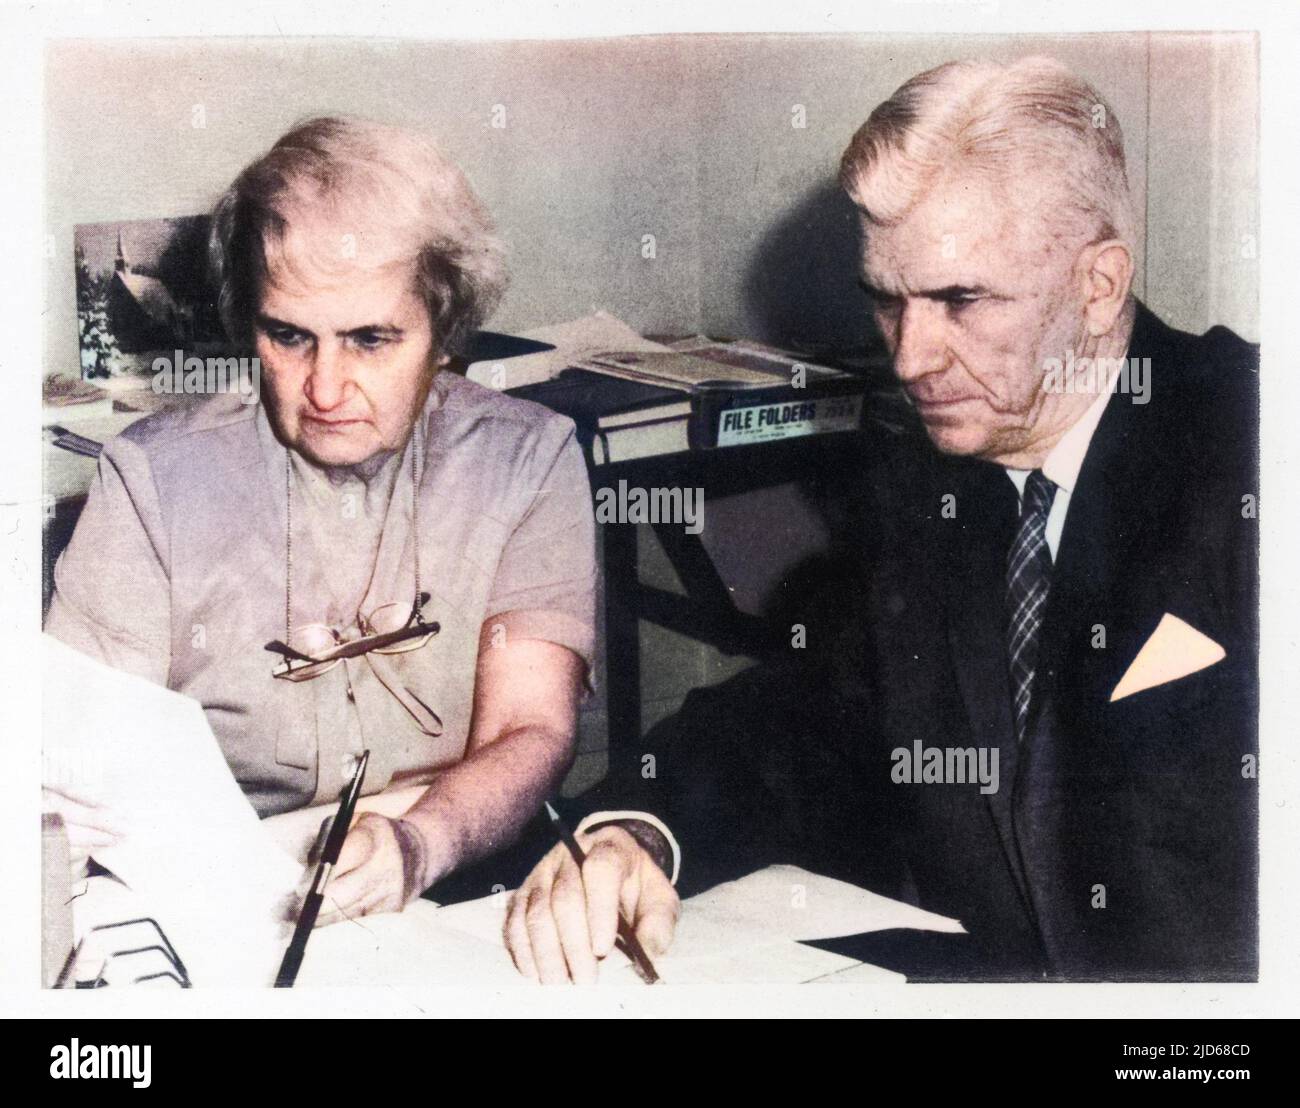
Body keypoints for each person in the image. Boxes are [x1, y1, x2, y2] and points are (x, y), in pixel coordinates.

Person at [505, 56, 1258, 983]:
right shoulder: (933, 476)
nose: (908, 358)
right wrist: (634, 832)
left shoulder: (1252, 450)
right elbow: (806, 719)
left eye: (960, 299)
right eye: (886, 299)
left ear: (1099, 285)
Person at [44, 117, 598, 925]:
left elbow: (529, 726)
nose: (326, 389)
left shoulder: (530, 461)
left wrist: (419, 843)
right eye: (290, 336)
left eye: (370, 339)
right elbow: (84, 762)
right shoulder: (152, 480)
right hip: (216, 887)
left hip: (460, 861)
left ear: (444, 333)